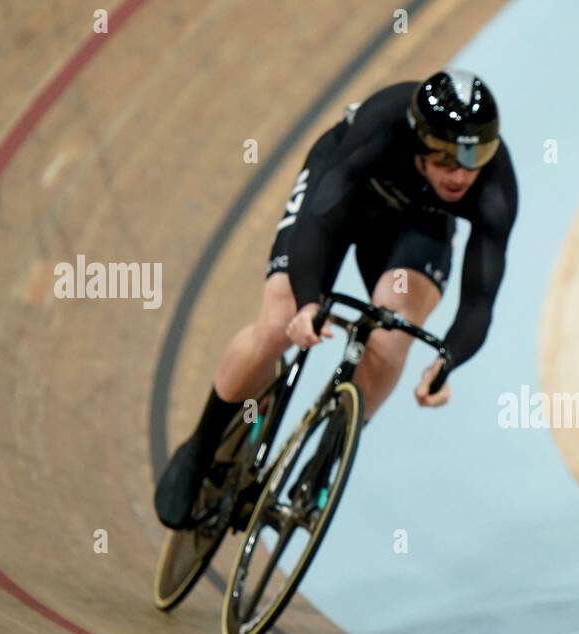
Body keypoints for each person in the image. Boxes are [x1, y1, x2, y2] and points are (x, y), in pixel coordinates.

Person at [155, 70, 518, 529]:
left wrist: (447, 362)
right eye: (447, 157)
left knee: (393, 330)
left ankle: (329, 451)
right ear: (419, 140)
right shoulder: (382, 125)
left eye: (475, 157)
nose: (462, 173)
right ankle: (201, 446)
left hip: (416, 224)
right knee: (279, 320)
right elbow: (320, 220)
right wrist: (309, 302)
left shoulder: (494, 185)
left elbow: (480, 299)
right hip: (343, 197)